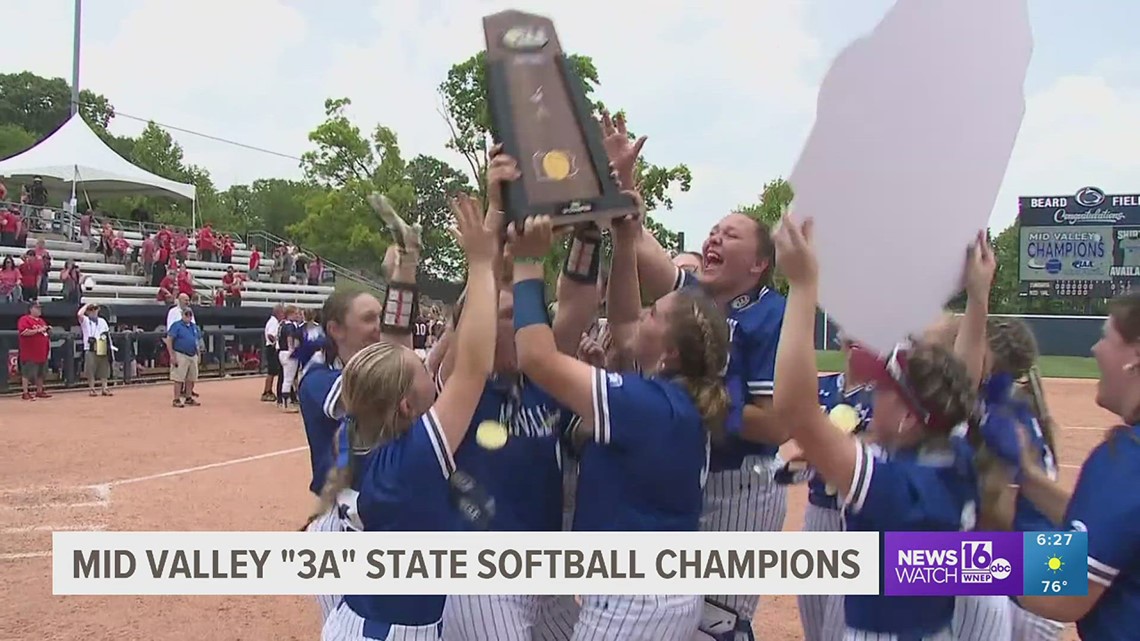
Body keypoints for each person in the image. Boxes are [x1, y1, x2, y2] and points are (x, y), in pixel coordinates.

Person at [506, 196, 729, 640]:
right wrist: (623, 237)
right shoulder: (676, 396)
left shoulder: (648, 405)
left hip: (634, 606)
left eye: (656, 314)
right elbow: (626, 320)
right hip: (659, 595)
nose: (643, 313)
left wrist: (529, 264)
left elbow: (536, 357)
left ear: (669, 351)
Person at [770, 213, 980, 640]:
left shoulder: (896, 488)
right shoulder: (955, 455)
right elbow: (963, 377)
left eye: (884, 390)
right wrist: (978, 296)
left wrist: (804, 286)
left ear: (907, 417)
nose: (874, 394)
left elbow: (797, 412)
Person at [316, 181, 501, 641]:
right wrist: (481, 262)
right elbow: (474, 366)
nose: (426, 366)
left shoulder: (362, 433)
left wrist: (406, 269)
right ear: (405, 403)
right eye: (421, 370)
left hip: (358, 620)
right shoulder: (410, 458)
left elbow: (394, 350)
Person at [1011, 292, 1140, 640]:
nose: (1096, 349)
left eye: (1107, 337)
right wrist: (1028, 476)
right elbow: (1116, 532)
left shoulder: (1128, 460)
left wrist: (907, 563)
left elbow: (1063, 587)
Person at [789, 334, 873, 641]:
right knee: (814, 612)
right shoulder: (822, 388)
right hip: (818, 512)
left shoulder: (884, 397)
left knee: (839, 625)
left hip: (854, 517)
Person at [165, 307, 201, 408]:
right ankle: (176, 399)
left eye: (190, 315)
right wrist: (172, 355)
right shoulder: (176, 326)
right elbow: (169, 340)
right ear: (182, 315)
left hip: (192, 354)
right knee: (178, 378)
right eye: (186, 314)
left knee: (191, 378)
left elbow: (197, 341)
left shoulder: (194, 327)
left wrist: (199, 354)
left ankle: (188, 398)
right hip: (180, 354)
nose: (188, 316)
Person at [17, 301, 52, 400]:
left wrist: (47, 330)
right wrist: (38, 330)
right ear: (31, 309)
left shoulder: (41, 321)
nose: (39, 310)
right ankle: (25, 392)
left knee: (41, 373)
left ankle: (39, 391)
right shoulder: (24, 319)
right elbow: (23, 332)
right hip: (29, 352)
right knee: (27, 373)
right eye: (37, 308)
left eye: (40, 308)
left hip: (42, 352)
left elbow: (45, 333)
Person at [78, 303, 114, 397]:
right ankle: (92, 389)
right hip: (90, 347)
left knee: (104, 368)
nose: (93, 311)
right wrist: (86, 305)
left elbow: (106, 333)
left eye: (95, 309)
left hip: (101, 344)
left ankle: (104, 388)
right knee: (90, 369)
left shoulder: (102, 321)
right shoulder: (85, 320)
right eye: (91, 310)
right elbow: (79, 314)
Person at [277, 305, 303, 412]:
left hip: (282, 352)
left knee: (288, 378)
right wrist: (292, 350)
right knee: (288, 379)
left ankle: (286, 402)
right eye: (295, 313)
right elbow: (289, 337)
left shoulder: (282, 324)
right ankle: (286, 404)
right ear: (290, 314)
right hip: (288, 352)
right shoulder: (290, 326)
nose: (297, 315)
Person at [262, 305, 284, 402]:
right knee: (271, 371)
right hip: (271, 348)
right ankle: (267, 392)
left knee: (273, 371)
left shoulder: (274, 321)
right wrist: (276, 342)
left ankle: (268, 391)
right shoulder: (273, 322)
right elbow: (270, 335)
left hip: (271, 347)